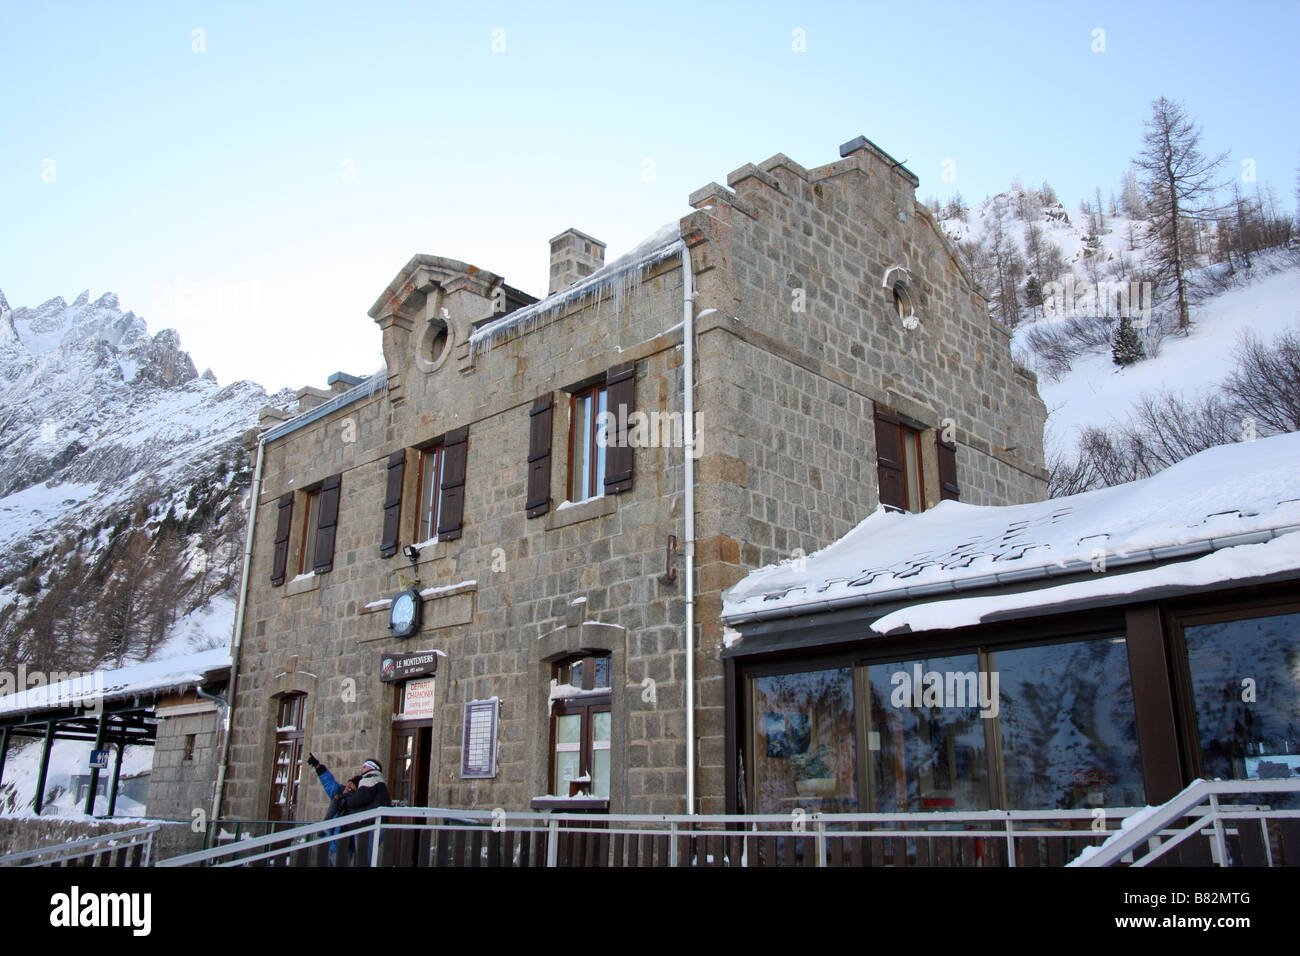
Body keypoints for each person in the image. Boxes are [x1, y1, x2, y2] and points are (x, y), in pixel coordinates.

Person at [334, 759, 391, 865]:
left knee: (363, 860)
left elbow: (360, 799)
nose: (362, 769)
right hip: (374, 825)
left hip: (367, 826)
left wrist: (346, 801)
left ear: (372, 767)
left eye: (365, 766)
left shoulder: (370, 779)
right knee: (365, 858)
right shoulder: (378, 781)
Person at [306, 753, 355, 866]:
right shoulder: (339, 793)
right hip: (330, 841)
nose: (348, 786)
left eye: (351, 785)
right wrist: (318, 766)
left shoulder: (356, 801)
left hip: (344, 845)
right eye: (348, 784)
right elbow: (329, 782)